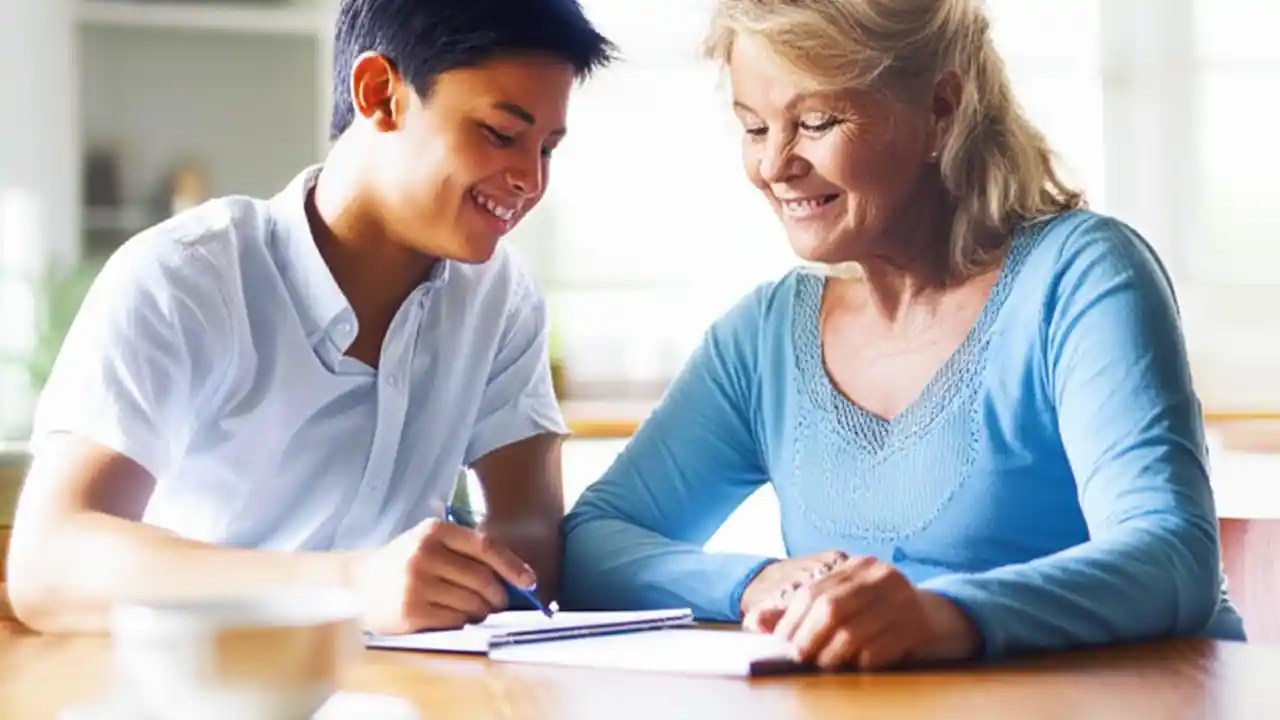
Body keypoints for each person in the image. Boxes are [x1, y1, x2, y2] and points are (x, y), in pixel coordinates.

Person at [561, 0, 1245, 670]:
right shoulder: (765, 339)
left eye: (816, 122)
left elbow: (1170, 557)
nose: (774, 165)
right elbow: (594, 544)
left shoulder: (1079, 277)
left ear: (941, 110)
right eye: (755, 128)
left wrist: (944, 615)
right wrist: (755, 583)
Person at [8, 0, 613, 635]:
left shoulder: (500, 299)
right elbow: (49, 564)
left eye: (548, 148)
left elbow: (531, 548)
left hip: (420, 679)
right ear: (380, 94)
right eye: (500, 133)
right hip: (204, 674)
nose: (530, 180)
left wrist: (474, 579)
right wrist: (352, 586)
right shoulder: (186, 278)